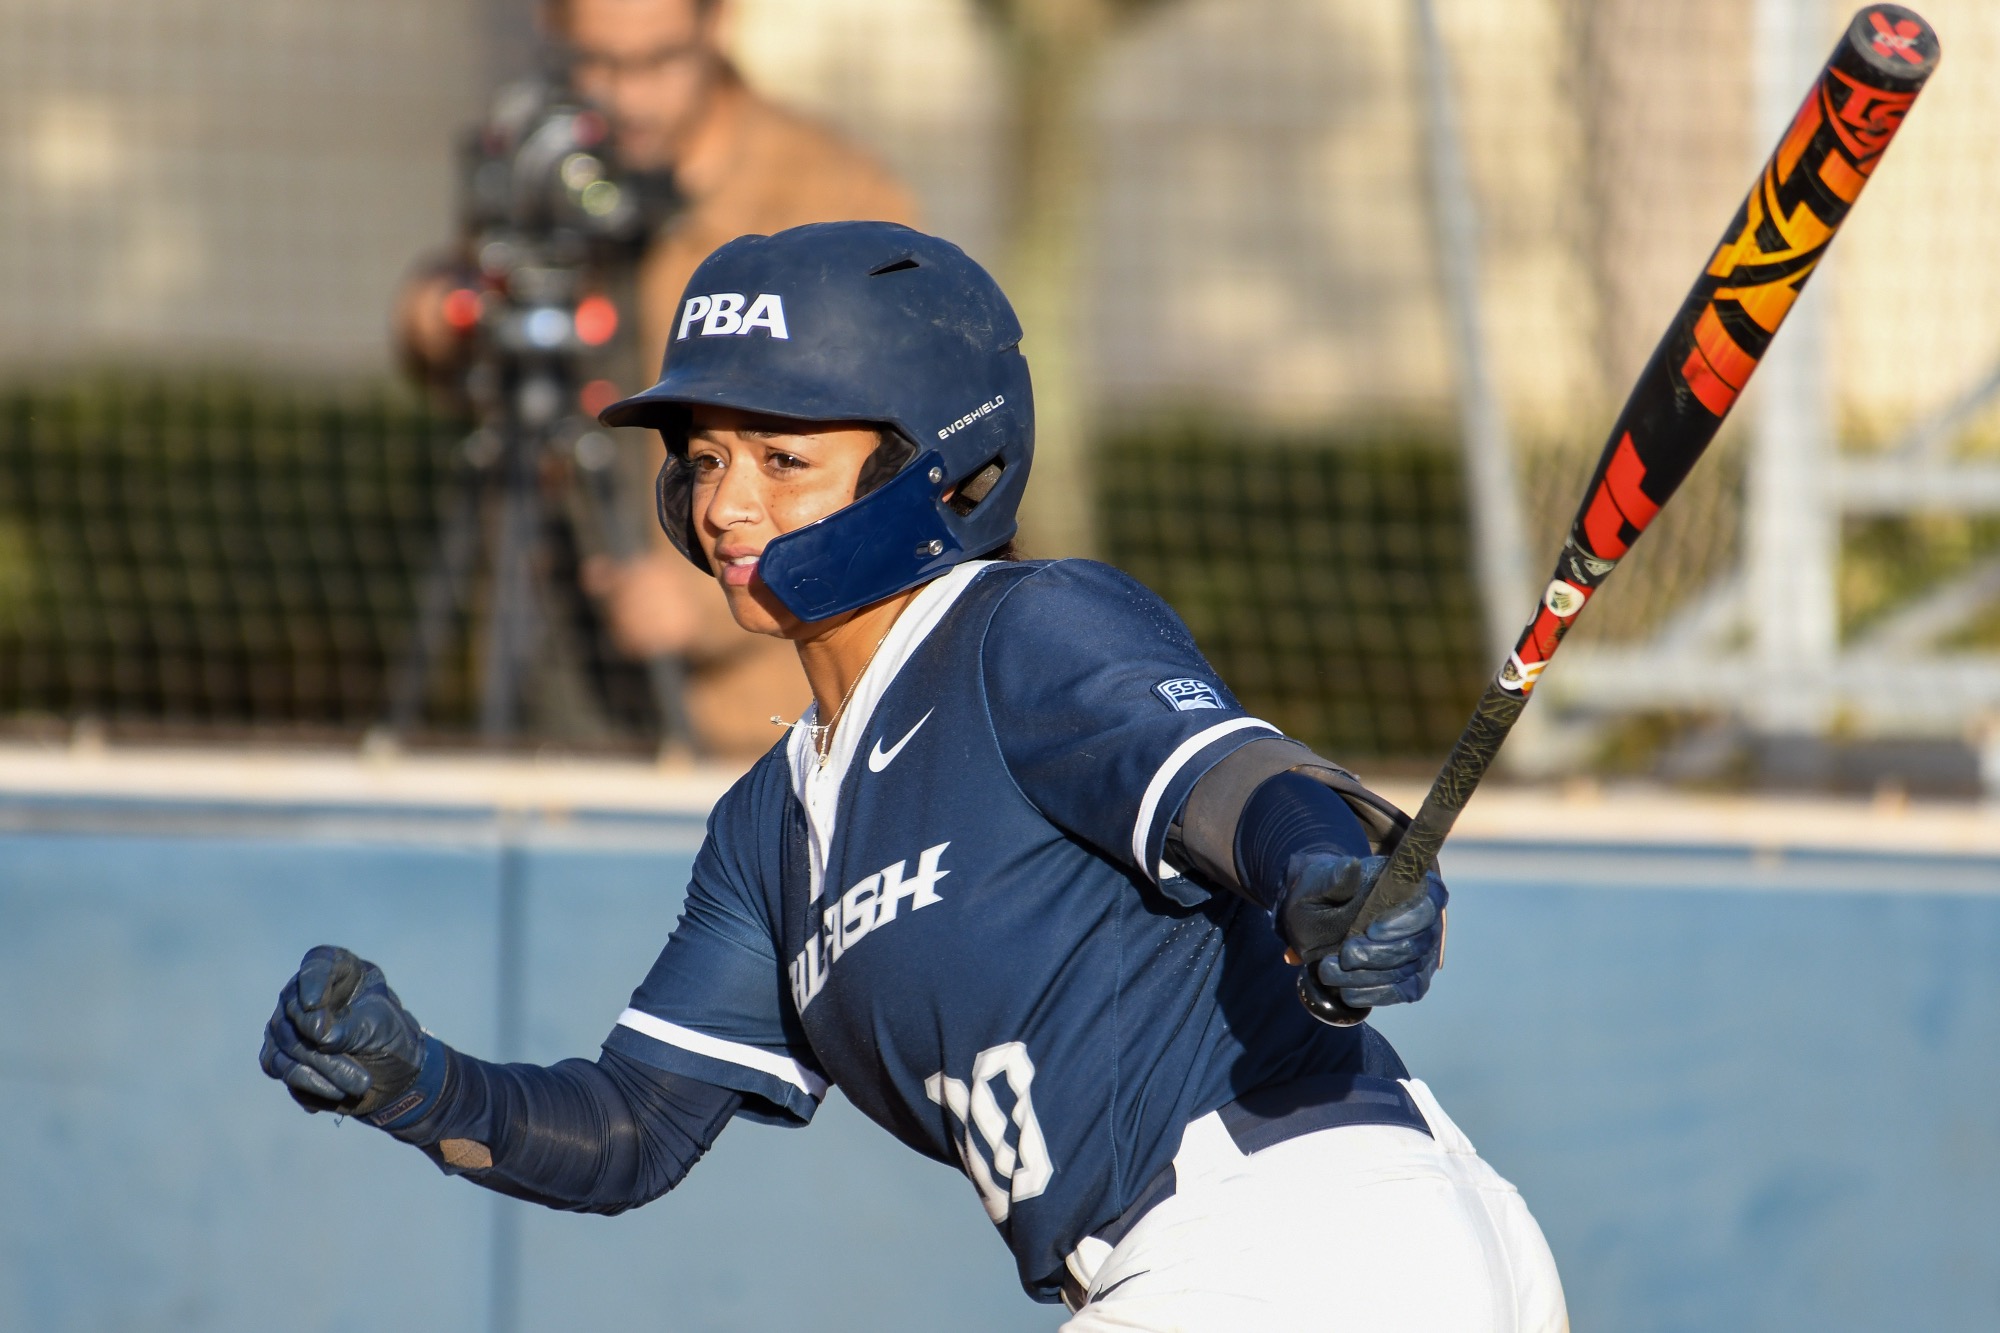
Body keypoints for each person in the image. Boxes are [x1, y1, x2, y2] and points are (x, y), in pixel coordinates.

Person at [268, 222, 1566, 1329]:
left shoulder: (1019, 630)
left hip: (1301, 1240)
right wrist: (415, 1084)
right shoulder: (770, 830)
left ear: (930, 465)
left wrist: (1323, 868)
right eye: (704, 458)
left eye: (783, 458)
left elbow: (1231, 780)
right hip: (1265, 1261)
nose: (724, 505)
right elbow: (628, 1130)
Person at [400, 0, 919, 760]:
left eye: (658, 61)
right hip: (558, 674)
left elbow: (914, 468)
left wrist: (716, 588)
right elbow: (466, 345)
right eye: (596, 62)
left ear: (718, 23)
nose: (627, 95)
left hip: (759, 718)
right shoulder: (550, 164)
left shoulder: (831, 193)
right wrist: (436, 317)